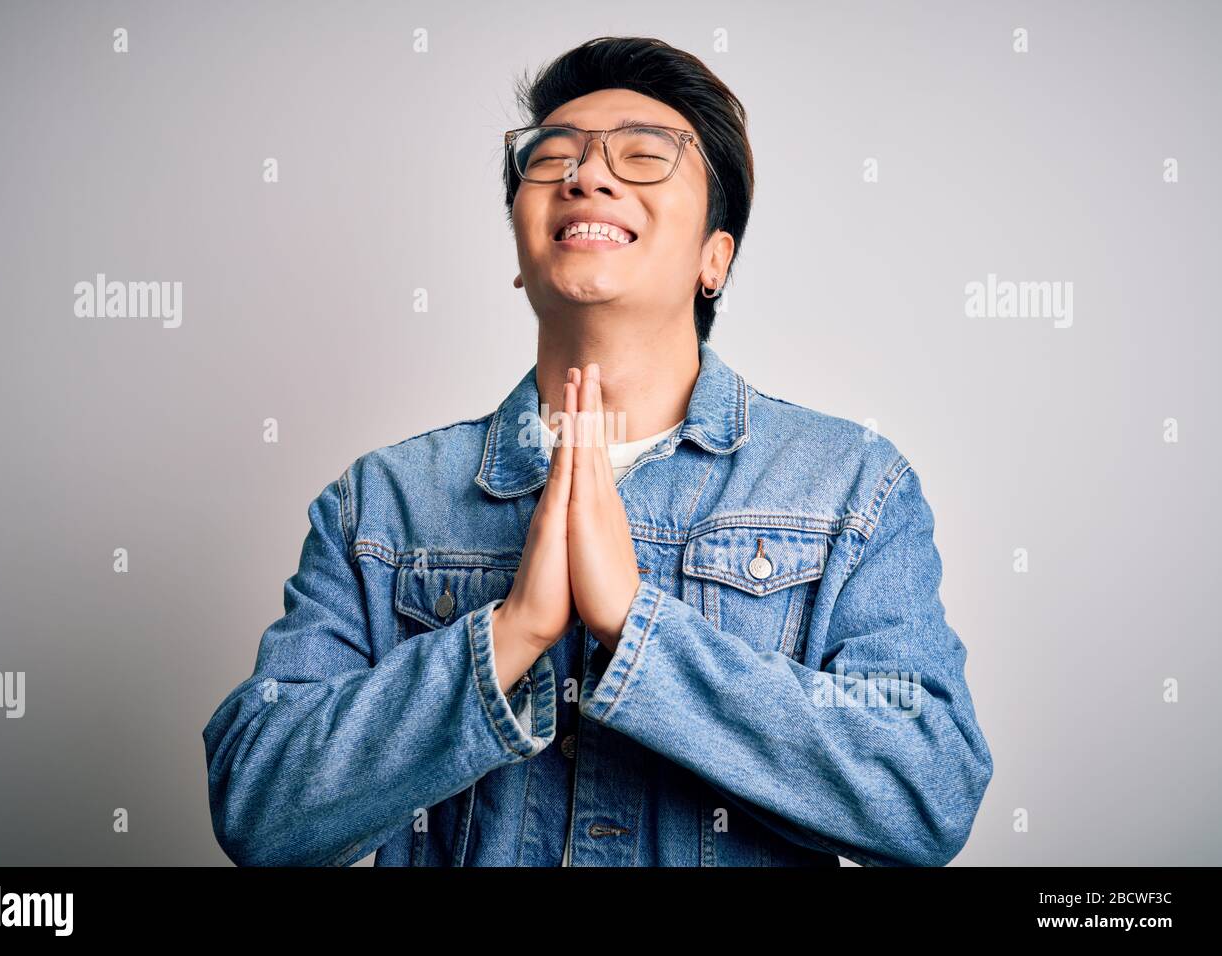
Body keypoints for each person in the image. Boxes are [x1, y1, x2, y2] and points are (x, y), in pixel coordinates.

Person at [202, 35, 993, 867]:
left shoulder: (850, 487)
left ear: (713, 258)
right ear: (520, 250)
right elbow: (259, 805)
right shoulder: (383, 503)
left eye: (645, 155)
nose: (586, 175)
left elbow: (928, 793)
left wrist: (639, 630)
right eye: (552, 159)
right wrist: (510, 634)